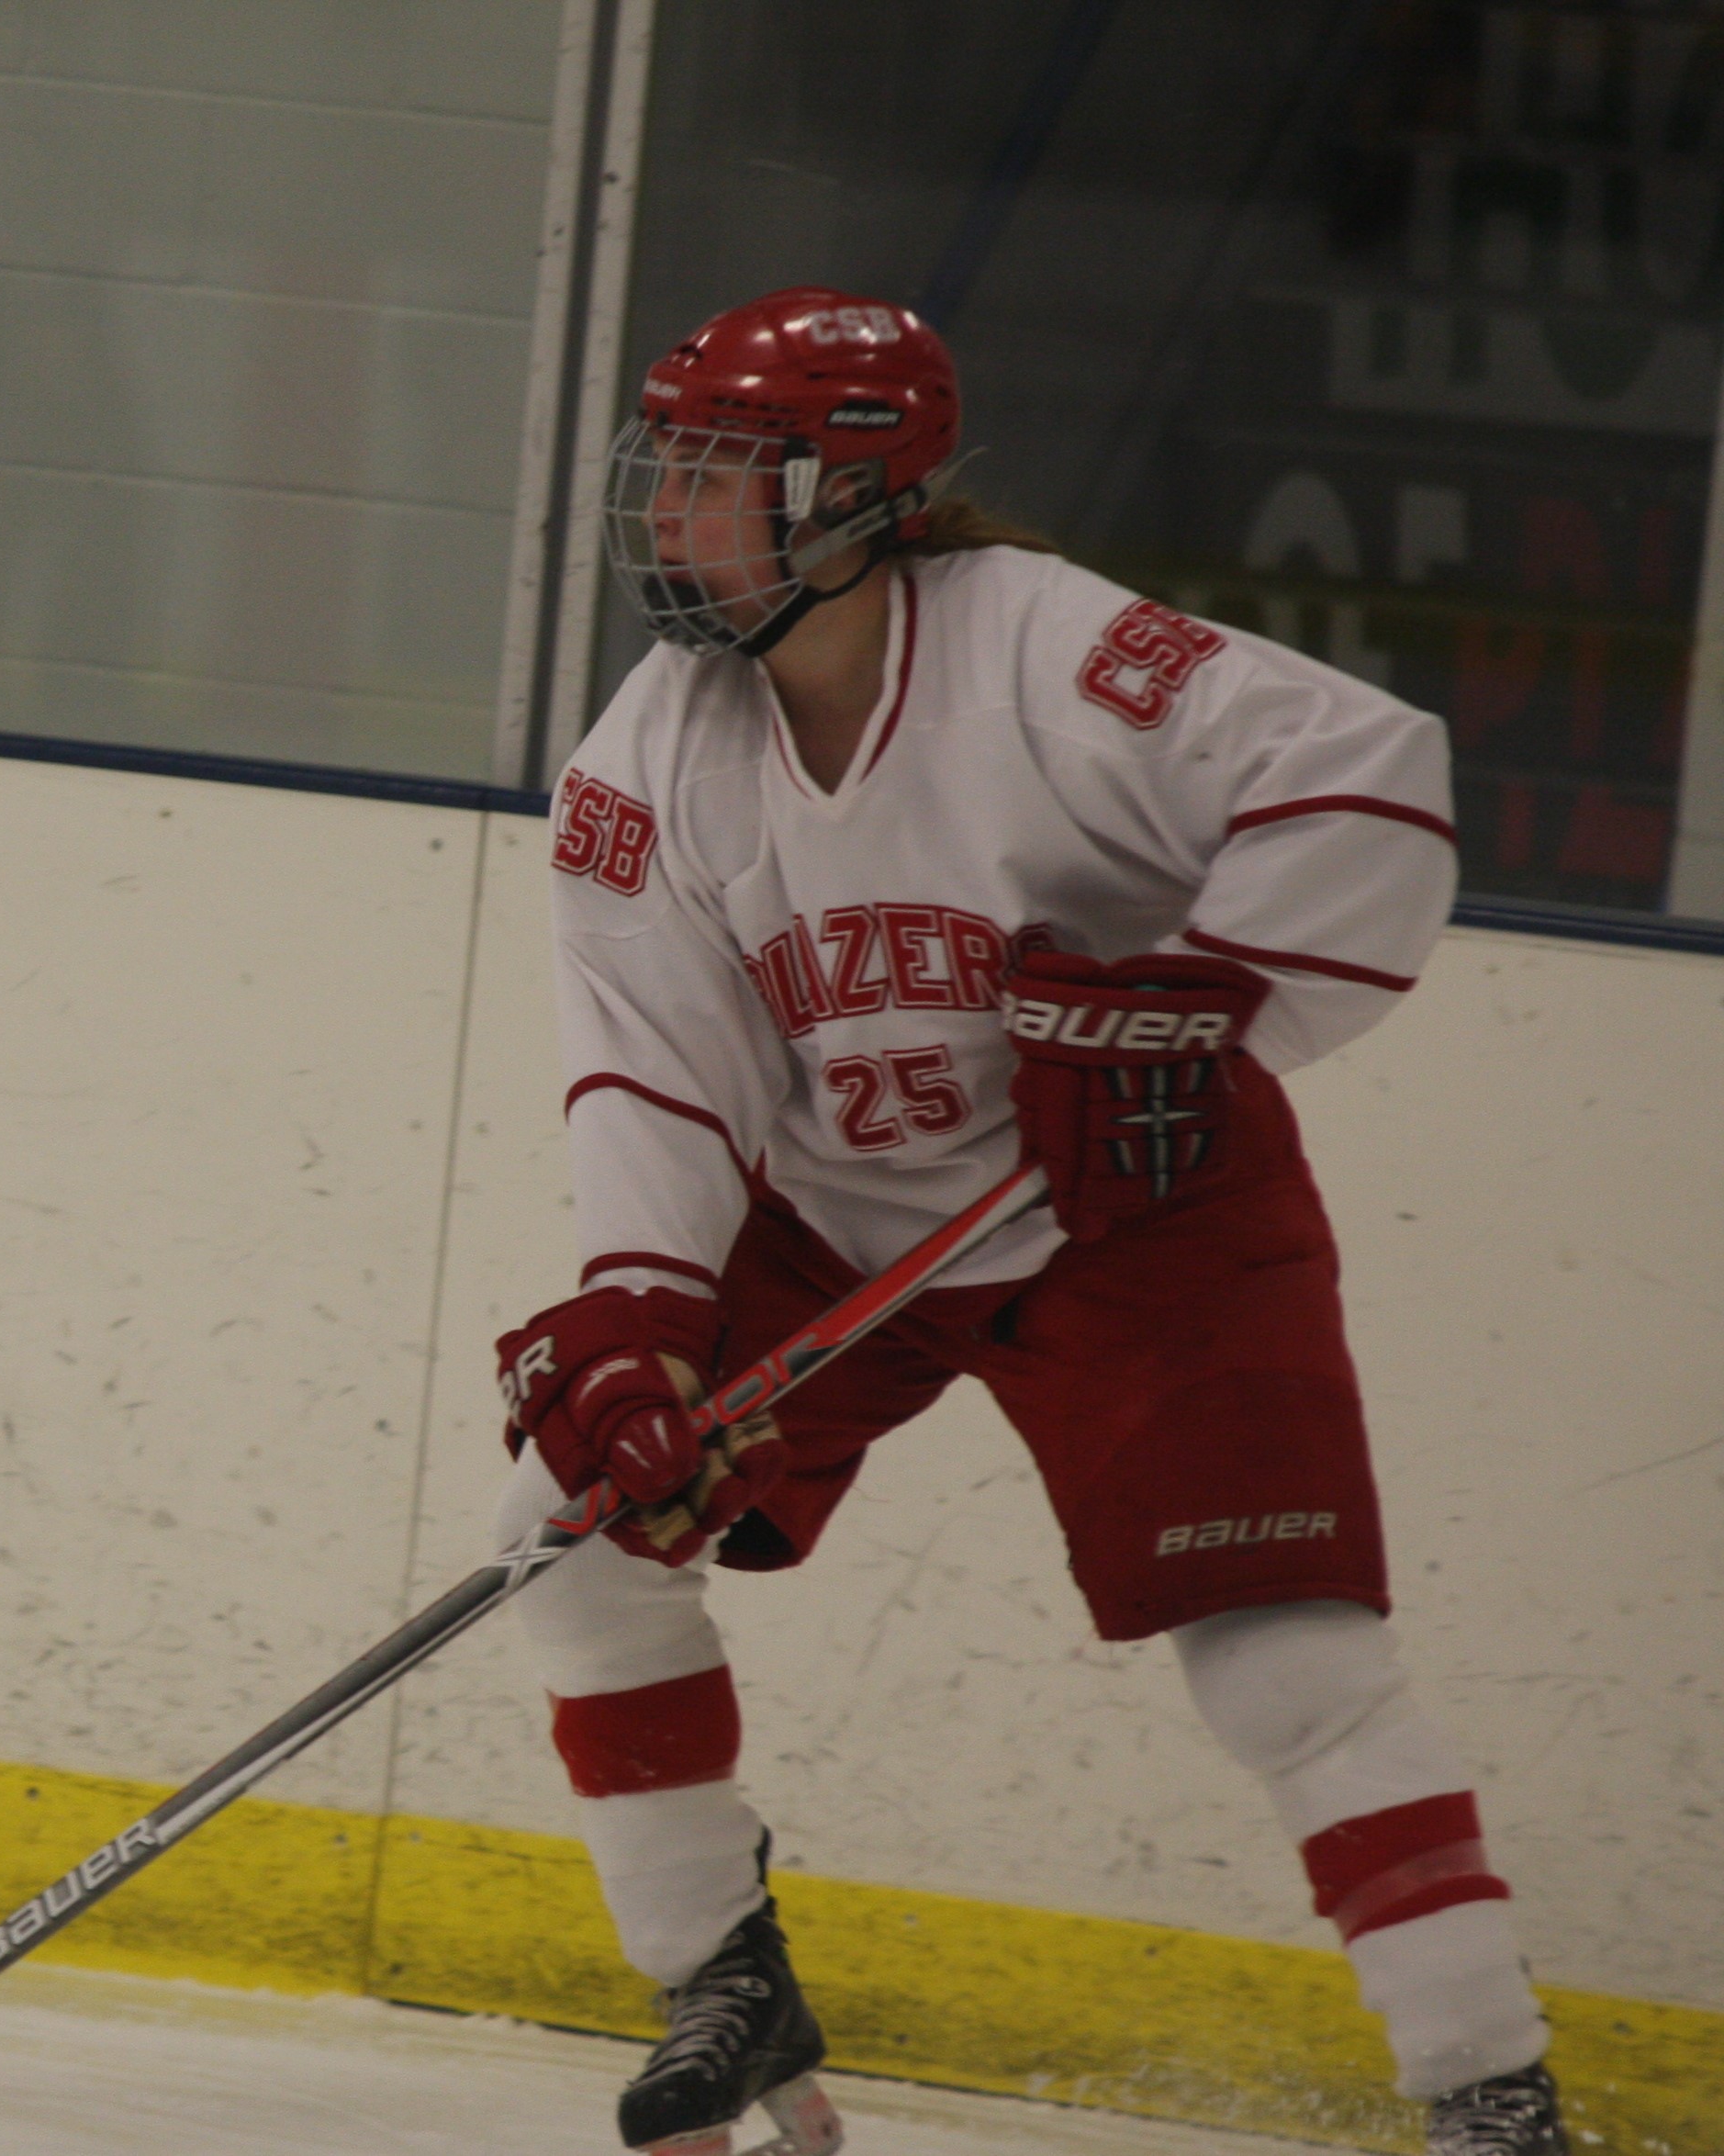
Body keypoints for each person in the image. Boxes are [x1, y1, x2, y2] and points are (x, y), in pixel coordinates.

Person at [493, 288, 1562, 2156]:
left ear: (854, 499)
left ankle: (1486, 2087)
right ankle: (723, 1983)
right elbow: (654, 1070)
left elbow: (1365, 775)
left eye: (723, 475)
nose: (668, 511)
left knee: (1285, 1654)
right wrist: (642, 1321)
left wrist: (1194, 1007)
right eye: (666, 469)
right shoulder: (645, 759)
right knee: (571, 1529)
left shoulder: (1054, 656)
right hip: (838, 1218)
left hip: (1143, 1202)